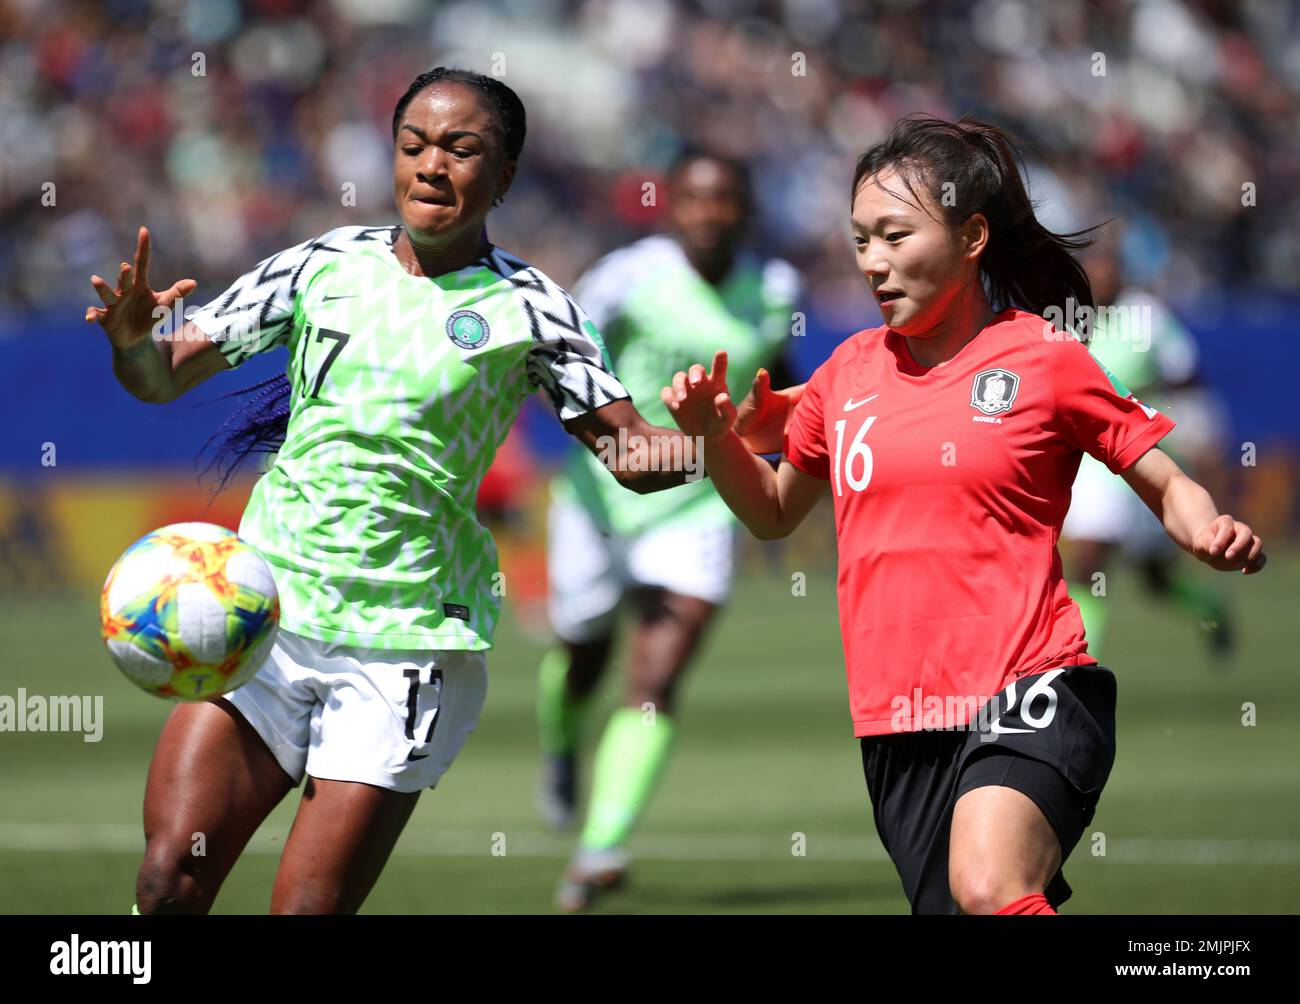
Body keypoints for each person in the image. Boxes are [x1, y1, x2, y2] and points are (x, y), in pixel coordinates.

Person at [85, 66, 698, 915]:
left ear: (505, 176)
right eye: (413, 146)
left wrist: (714, 447)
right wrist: (130, 341)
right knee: (167, 880)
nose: (431, 167)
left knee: (305, 911)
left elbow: (630, 452)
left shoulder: (533, 309)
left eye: (460, 149)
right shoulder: (320, 264)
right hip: (263, 618)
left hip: (403, 644)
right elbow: (159, 378)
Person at [661, 115, 1265, 915]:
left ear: (972, 234)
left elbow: (1156, 471)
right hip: (898, 716)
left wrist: (1204, 527)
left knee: (988, 889)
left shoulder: (1044, 358)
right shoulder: (848, 373)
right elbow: (773, 512)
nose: (873, 261)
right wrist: (712, 439)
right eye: (860, 239)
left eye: (895, 235)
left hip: (1033, 685)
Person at [536, 148, 801, 911]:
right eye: (693, 197)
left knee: (654, 680)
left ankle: (599, 848)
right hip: (600, 498)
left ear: (745, 210)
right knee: (585, 653)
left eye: (724, 199)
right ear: (669, 205)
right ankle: (561, 747)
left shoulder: (775, 288)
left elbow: (775, 386)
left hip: (697, 503)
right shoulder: (627, 278)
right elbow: (560, 356)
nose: (708, 212)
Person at [1061, 240, 1235, 660]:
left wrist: (1142, 397)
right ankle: (1083, 661)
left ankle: (1079, 664)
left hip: (1132, 452)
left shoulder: (1147, 316)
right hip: (1087, 458)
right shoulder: (1068, 316)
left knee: (1094, 562)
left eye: (1108, 267)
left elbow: (1188, 374)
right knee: (1137, 575)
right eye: (1093, 269)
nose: (1101, 277)